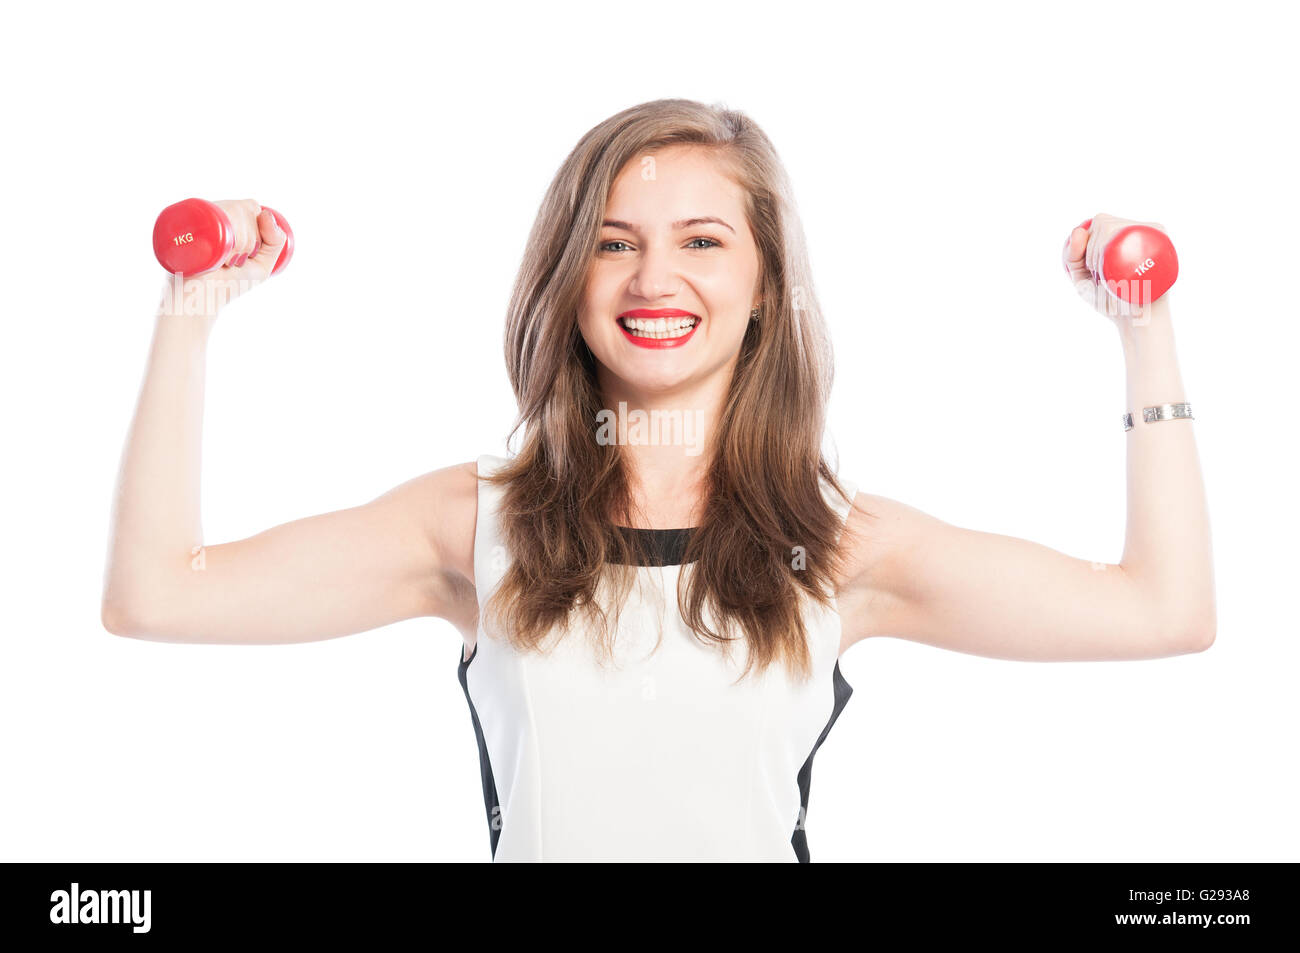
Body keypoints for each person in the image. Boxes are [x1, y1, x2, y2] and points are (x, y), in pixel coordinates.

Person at [101, 98, 1216, 863]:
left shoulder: (838, 547)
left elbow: (1161, 611)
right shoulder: (471, 524)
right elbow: (158, 594)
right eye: (614, 241)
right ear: (569, 271)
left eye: (701, 241)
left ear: (765, 285)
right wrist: (190, 310)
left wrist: (1142, 326)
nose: (655, 278)